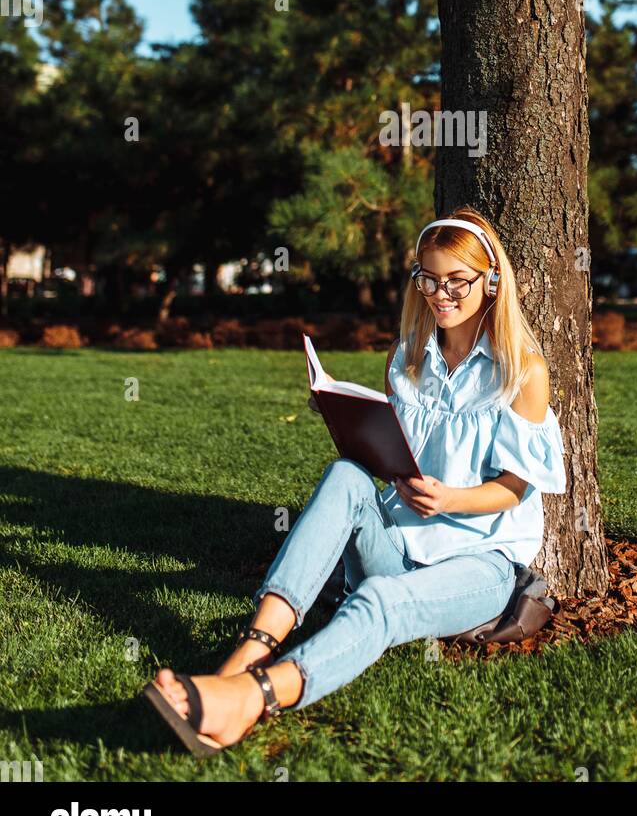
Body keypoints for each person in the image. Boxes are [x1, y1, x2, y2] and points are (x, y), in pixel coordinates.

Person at [142, 205, 567, 756]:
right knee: (345, 474)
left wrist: (449, 499)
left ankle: (251, 697)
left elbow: (514, 489)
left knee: (381, 600)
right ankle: (250, 652)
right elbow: (390, 455)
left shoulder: (522, 371)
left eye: (456, 280)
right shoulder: (407, 358)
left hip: (480, 563)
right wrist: (345, 419)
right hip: (399, 542)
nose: (441, 293)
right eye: (428, 278)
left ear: (489, 283)